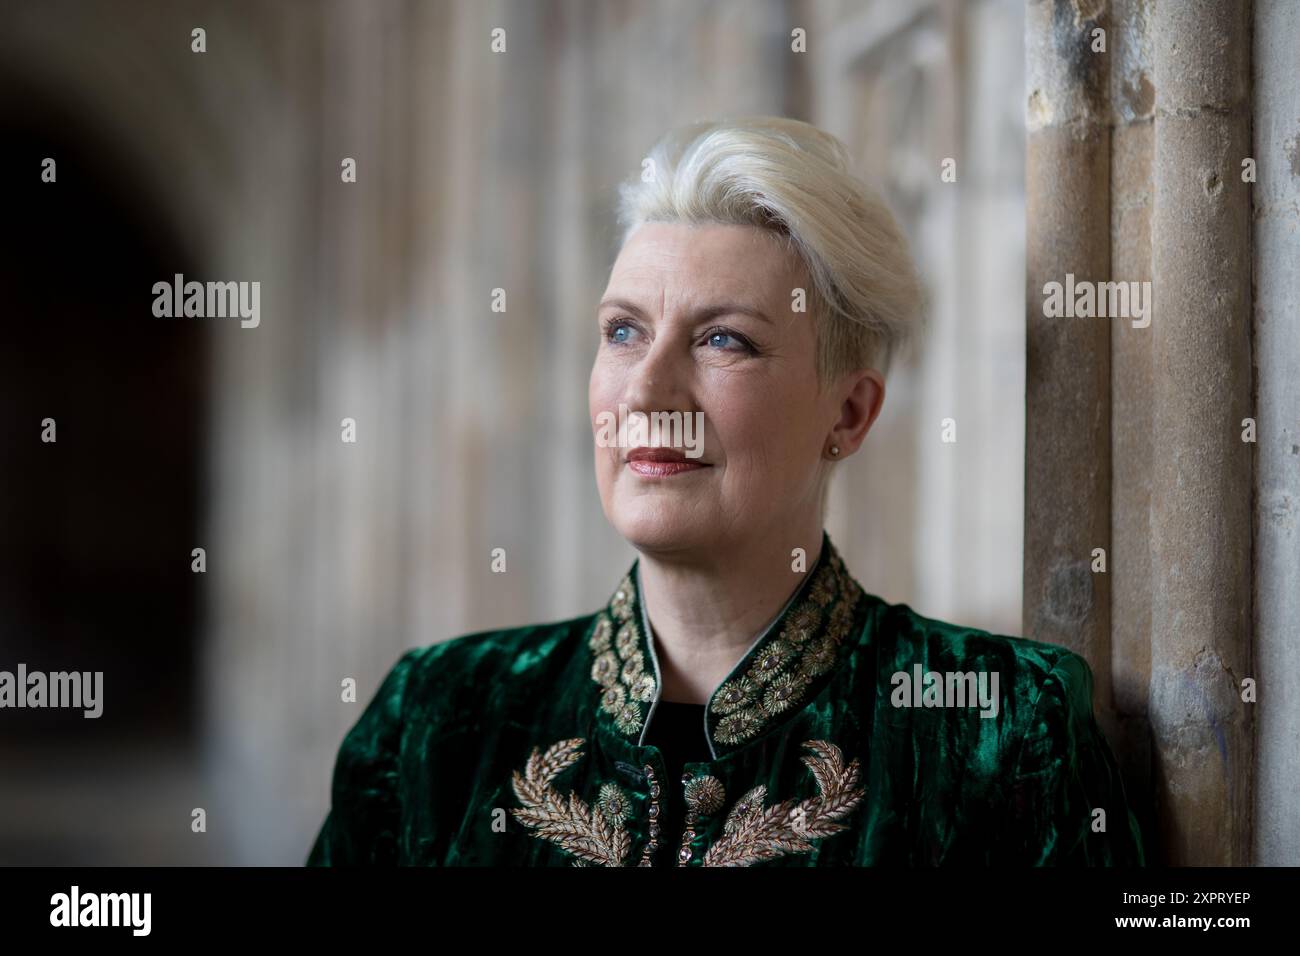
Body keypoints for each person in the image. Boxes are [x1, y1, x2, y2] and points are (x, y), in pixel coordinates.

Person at [307, 116, 1144, 867]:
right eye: (624, 331)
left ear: (848, 414)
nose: (644, 394)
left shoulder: (998, 727)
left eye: (723, 340)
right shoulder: (435, 720)